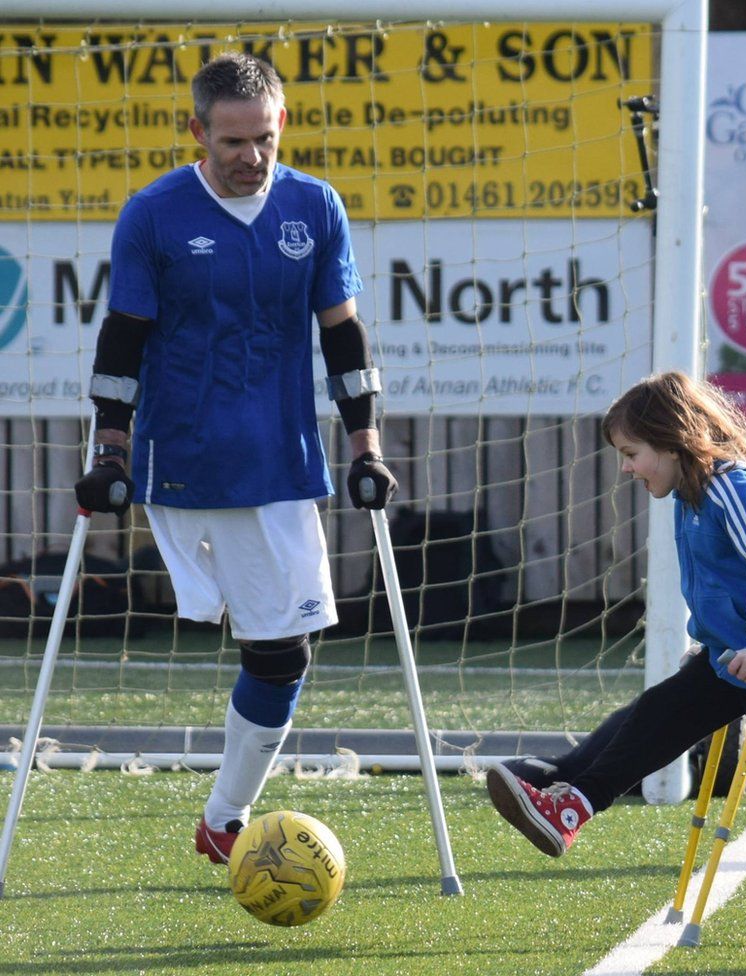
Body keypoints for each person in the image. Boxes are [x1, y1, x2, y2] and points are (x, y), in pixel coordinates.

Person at [74, 52, 397, 865]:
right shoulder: (153, 214)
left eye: (265, 138)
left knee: (284, 650)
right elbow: (123, 340)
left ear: (280, 124)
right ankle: (224, 821)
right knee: (267, 647)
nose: (252, 156)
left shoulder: (315, 207)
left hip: (283, 462)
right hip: (183, 458)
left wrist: (366, 443)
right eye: (233, 143)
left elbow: (343, 335)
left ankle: (223, 820)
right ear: (197, 132)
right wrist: (109, 449)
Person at [486, 371, 746, 899]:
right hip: (729, 656)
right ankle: (567, 797)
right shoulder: (690, 494)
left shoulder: (733, 489)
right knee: (655, 713)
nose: (626, 467)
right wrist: (719, 641)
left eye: (632, 452)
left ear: (673, 443)